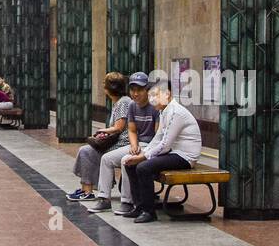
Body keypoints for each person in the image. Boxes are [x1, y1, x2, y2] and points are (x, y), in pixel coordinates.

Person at [122, 81, 203, 223]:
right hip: (173, 152)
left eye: (155, 95)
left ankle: (149, 212)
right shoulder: (164, 111)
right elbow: (158, 137)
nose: (152, 99)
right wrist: (143, 153)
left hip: (185, 156)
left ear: (167, 94)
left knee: (143, 167)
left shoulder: (176, 112)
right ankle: (139, 207)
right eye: (151, 95)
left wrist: (143, 157)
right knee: (130, 164)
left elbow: (165, 145)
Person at [84, 72, 161, 214]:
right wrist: (133, 145)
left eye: (140, 90)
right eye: (133, 90)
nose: (136, 94)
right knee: (106, 159)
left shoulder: (155, 107)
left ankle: (127, 202)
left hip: (152, 146)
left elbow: (159, 135)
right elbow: (131, 130)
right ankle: (104, 199)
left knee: (127, 160)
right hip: (137, 144)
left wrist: (146, 149)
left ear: (147, 90)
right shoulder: (132, 106)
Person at [66, 72, 130, 203]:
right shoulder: (119, 102)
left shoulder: (123, 102)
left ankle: (87, 191)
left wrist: (102, 130)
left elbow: (119, 127)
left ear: (108, 88)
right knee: (87, 150)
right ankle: (85, 188)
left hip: (122, 143)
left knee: (86, 151)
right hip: (118, 141)